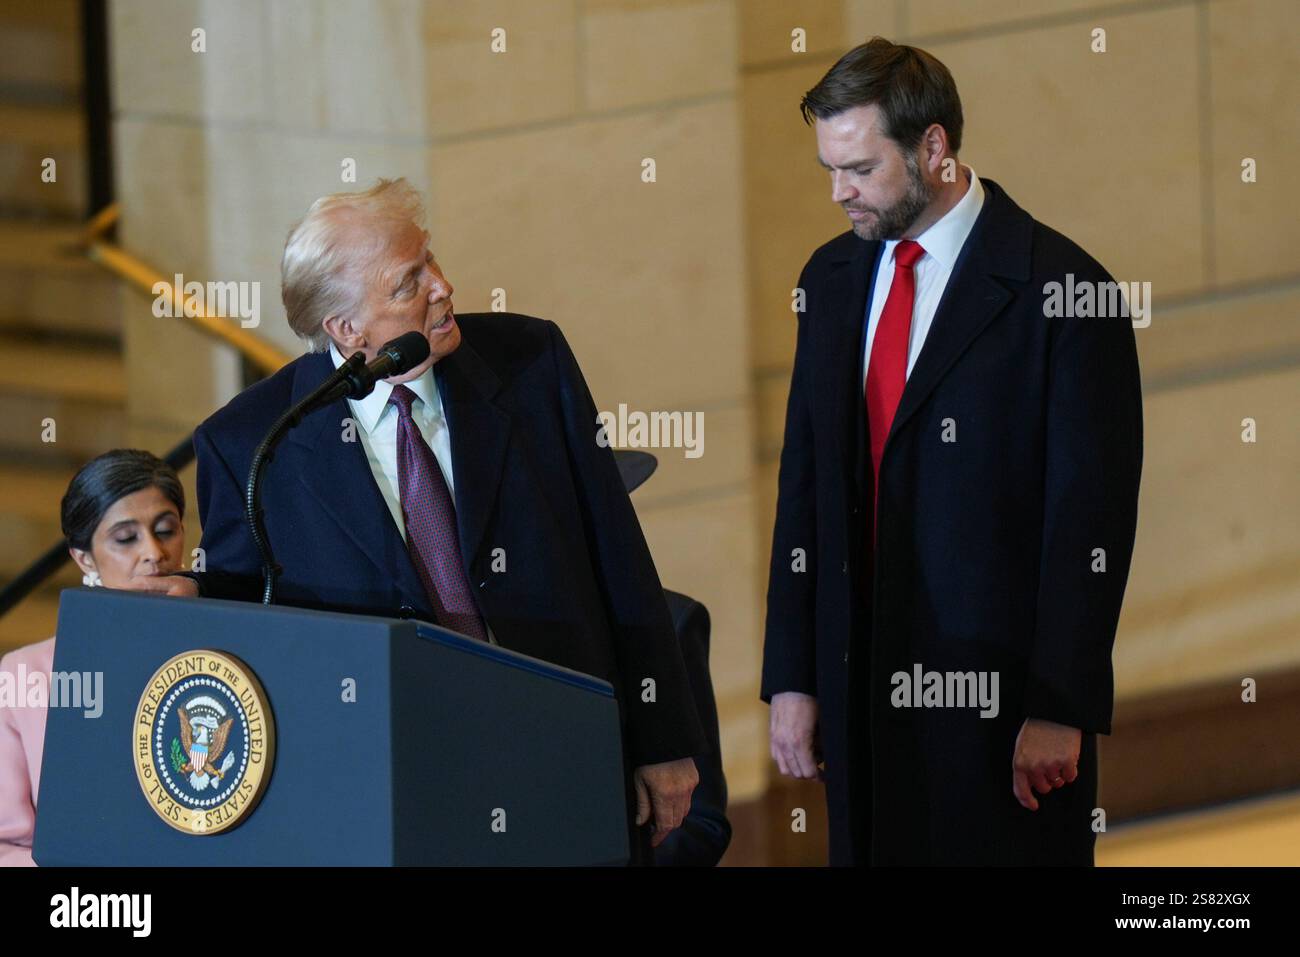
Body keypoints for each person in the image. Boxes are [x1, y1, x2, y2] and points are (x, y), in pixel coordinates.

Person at [155, 179, 705, 864]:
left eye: (432, 261)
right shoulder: (252, 442)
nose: (443, 286)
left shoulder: (531, 362)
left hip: (563, 747)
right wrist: (190, 602)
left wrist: (662, 739)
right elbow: (248, 619)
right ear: (346, 329)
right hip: (394, 785)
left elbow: (617, 552)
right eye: (408, 282)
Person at [762, 38, 1143, 865]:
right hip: (860, 698)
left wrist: (1059, 705)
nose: (839, 193)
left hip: (999, 715)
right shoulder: (828, 279)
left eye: (859, 169)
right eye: (830, 169)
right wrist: (792, 674)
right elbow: (806, 486)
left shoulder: (1066, 294)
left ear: (933, 149)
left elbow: (1089, 526)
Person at [0, 450, 188, 866]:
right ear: (84, 558)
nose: (154, 553)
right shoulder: (26, 677)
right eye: (126, 539)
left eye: (165, 530)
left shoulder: (223, 654)